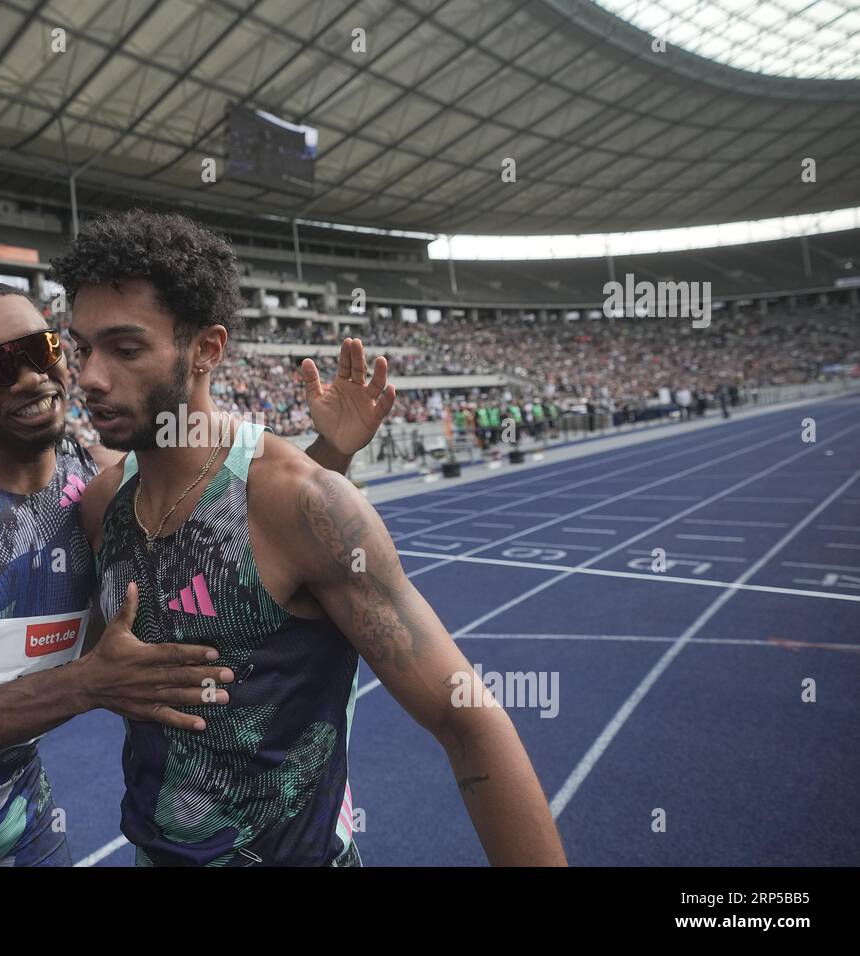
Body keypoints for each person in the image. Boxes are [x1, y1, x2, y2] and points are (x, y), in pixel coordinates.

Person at [0, 280, 383, 867]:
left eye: (43, 350)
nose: (30, 377)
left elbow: (235, 520)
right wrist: (83, 684)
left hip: (21, 818)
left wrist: (330, 454)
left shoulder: (99, 486)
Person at [62, 209, 566, 867]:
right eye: (82, 348)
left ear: (207, 350)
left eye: (125, 349)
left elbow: (467, 719)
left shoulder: (303, 499)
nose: (92, 377)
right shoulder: (105, 504)